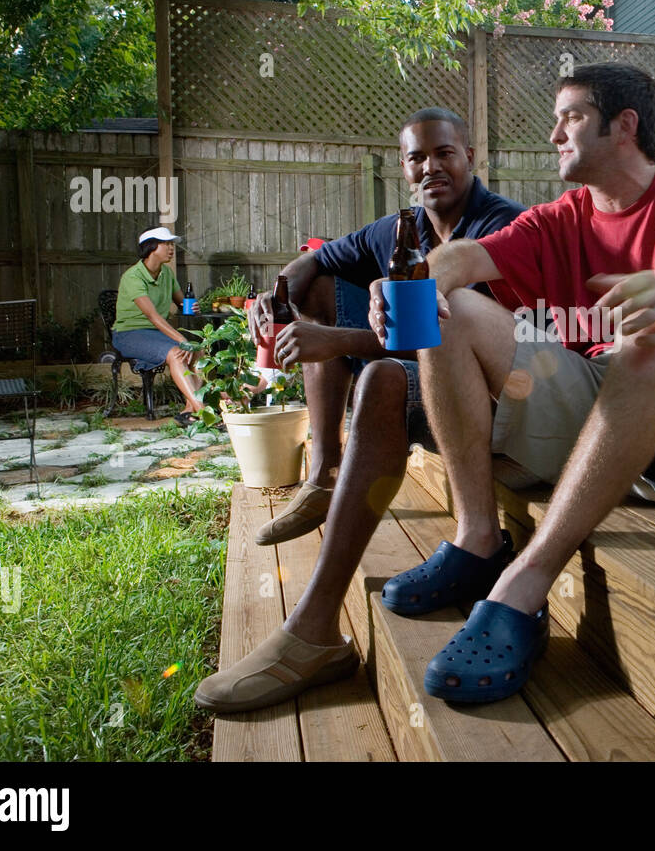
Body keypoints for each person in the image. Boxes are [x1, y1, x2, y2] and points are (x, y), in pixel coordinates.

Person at [368, 63, 655, 704]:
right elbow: (467, 257)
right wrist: (416, 281)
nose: (555, 132)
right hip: (604, 412)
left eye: (572, 117)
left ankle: (526, 583)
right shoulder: (561, 217)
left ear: (624, 125)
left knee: (654, 333)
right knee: (451, 309)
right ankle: (477, 537)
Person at [193, 107, 523, 713]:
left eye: (443, 152)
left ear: (470, 156)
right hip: (434, 382)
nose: (430, 167)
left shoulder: (498, 226)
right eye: (416, 157)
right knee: (316, 291)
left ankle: (312, 631)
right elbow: (319, 260)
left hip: (499, 400)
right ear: (403, 167)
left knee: (378, 380)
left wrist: (336, 342)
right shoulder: (402, 228)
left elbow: (440, 334)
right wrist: (277, 294)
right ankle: (323, 472)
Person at [111, 226, 202, 426]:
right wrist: (181, 339)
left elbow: (181, 302)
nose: (171, 248)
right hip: (129, 334)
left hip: (155, 333)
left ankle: (190, 410)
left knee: (199, 353)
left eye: (172, 244)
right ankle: (205, 412)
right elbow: (153, 316)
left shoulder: (166, 274)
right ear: (151, 247)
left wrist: (190, 306)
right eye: (166, 244)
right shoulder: (133, 277)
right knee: (177, 353)